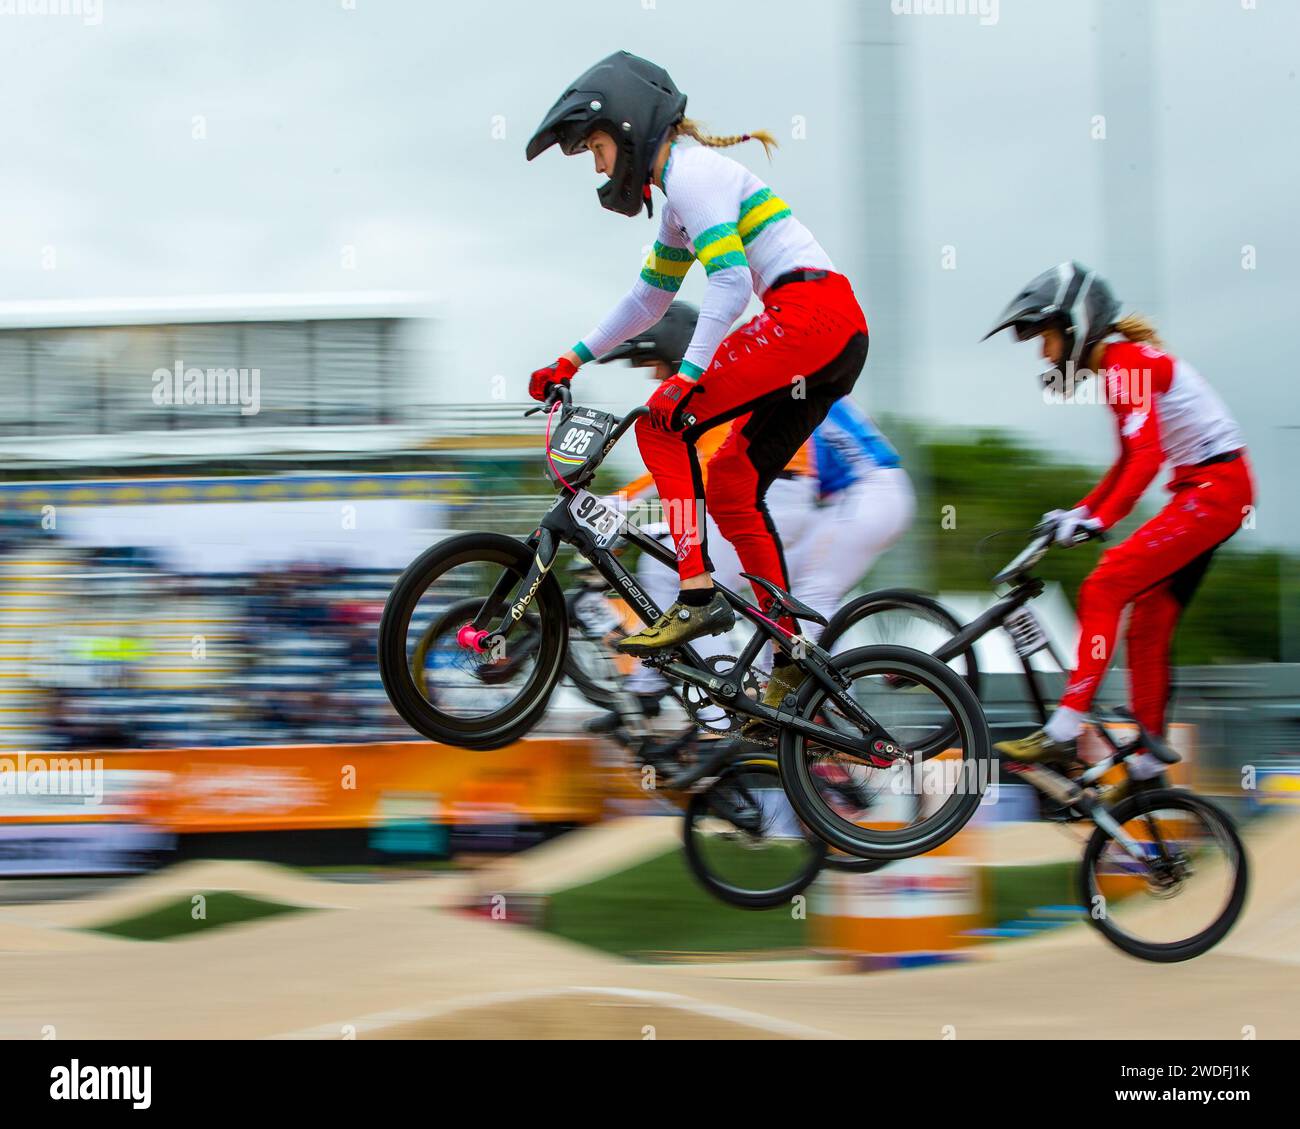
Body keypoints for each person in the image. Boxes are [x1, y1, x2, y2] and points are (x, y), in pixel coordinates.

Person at [526, 50, 871, 719]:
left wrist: (687, 374)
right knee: (735, 480)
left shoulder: (693, 175)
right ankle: (790, 659)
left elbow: (733, 280)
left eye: (595, 147)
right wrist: (571, 358)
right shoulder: (682, 200)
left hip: (808, 317)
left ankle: (696, 592)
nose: (598, 165)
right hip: (834, 332)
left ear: (628, 128)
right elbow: (647, 302)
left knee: (661, 425)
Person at [984, 262, 1253, 799]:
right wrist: (1078, 511)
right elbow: (1129, 459)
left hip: (1214, 490)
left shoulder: (1124, 363)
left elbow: (1147, 458)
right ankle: (1148, 772)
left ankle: (1064, 728)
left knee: (1104, 585)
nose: (1044, 353)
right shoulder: (1121, 366)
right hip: (1213, 489)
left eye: (1048, 338)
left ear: (1078, 326)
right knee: (1148, 617)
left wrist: (1098, 521)